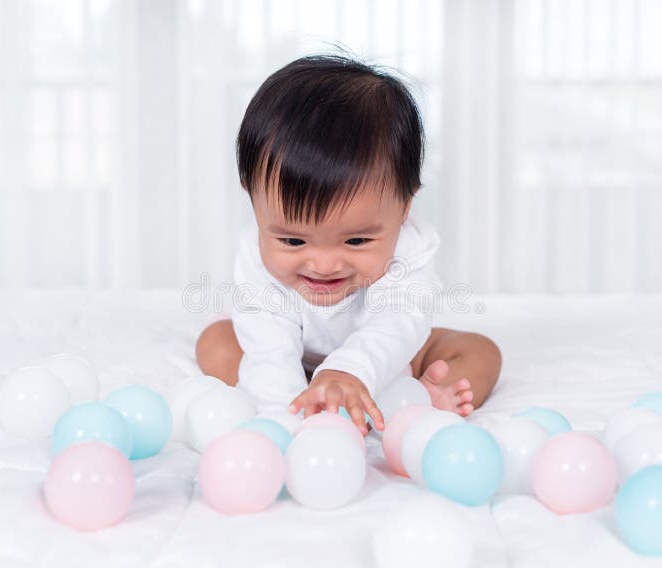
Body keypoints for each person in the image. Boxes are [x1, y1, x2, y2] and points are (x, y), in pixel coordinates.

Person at [196, 53, 502, 435]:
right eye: (293, 240)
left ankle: (419, 399)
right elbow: (268, 344)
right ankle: (311, 396)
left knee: (479, 352)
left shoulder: (410, 250)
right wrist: (284, 416)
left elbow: (398, 322)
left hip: (386, 359)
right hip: (293, 351)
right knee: (217, 341)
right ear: (253, 200)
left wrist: (350, 370)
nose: (324, 265)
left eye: (356, 240)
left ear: (404, 207)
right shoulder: (255, 253)